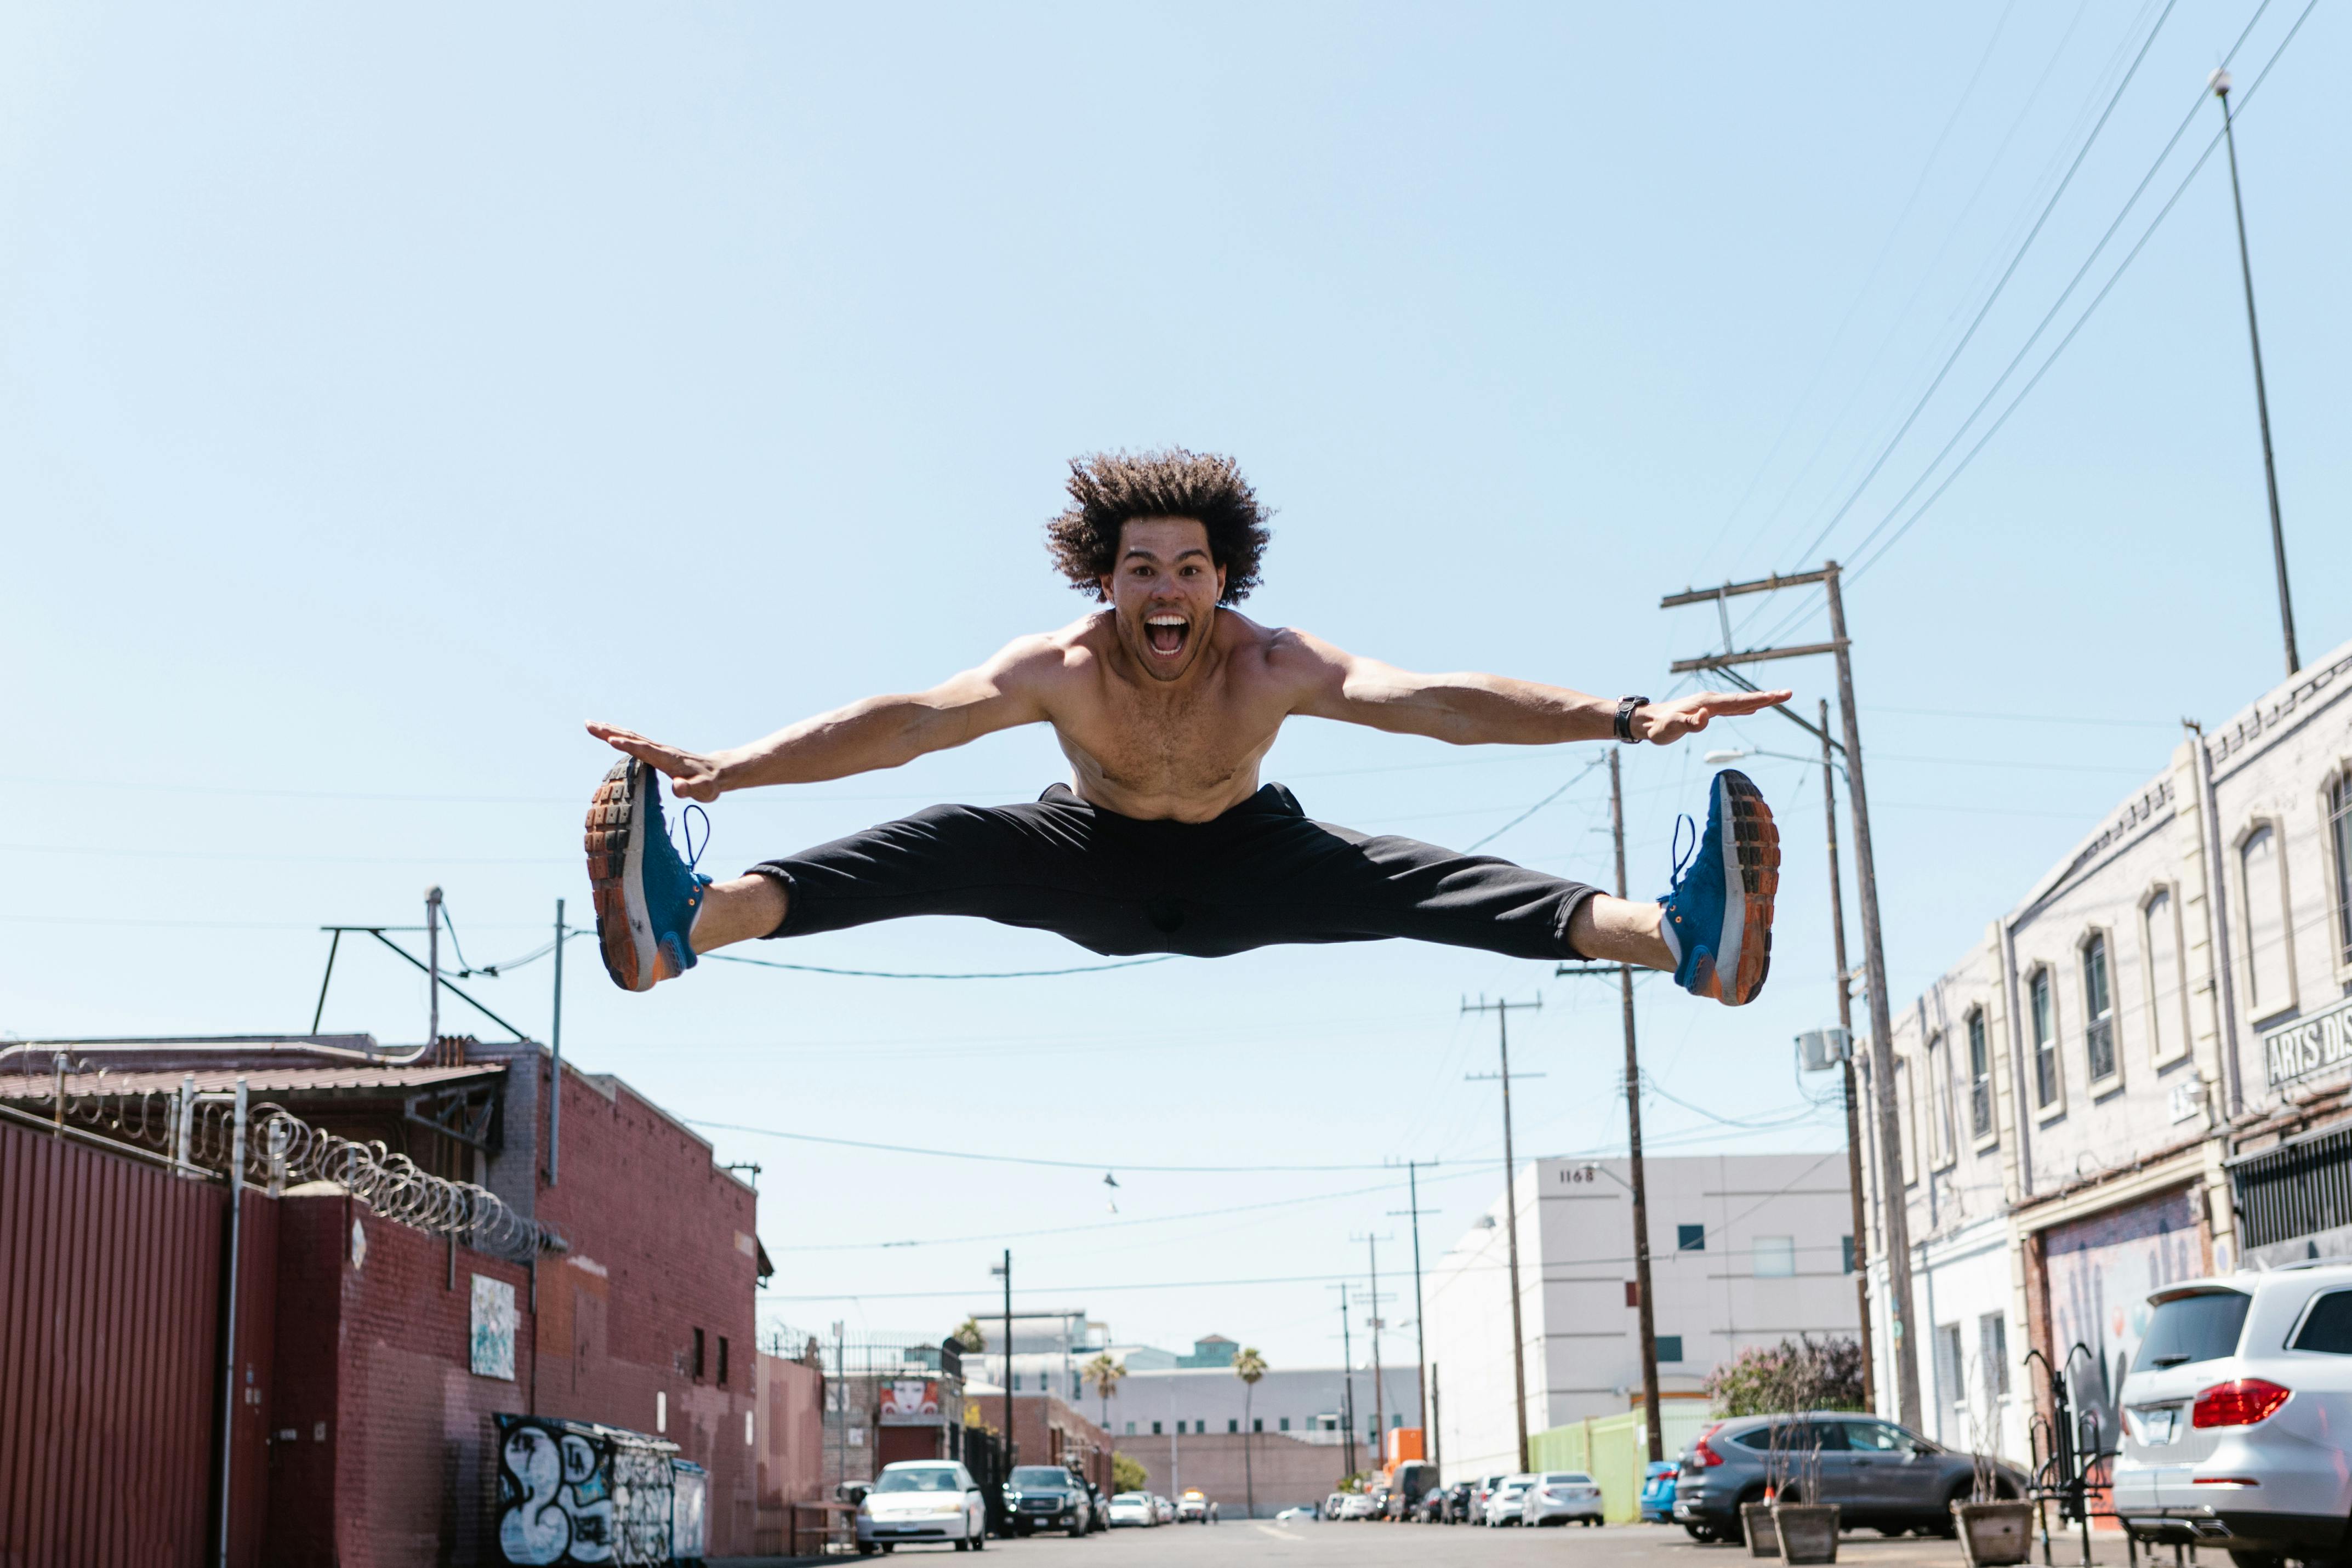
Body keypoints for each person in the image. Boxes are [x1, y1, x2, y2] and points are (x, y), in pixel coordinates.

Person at [584, 449, 1789, 1002]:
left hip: (1251, 860)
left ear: (1223, 580)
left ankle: (1687, 938)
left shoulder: (1272, 662)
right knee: (934, 840)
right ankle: (687, 924)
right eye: (1142, 571)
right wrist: (730, 769)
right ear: (1105, 581)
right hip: (1087, 859)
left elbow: (1438, 707)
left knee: (1438, 884)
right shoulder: (1058, 664)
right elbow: (908, 723)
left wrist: (1628, 717)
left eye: (1189, 571)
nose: (1165, 594)